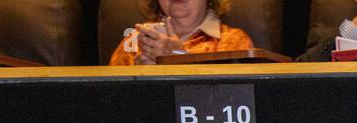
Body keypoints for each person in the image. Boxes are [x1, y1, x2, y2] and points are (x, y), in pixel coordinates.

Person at [108, 0, 254, 65]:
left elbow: (231, 101)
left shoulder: (234, 41)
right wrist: (140, 79)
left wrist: (179, 58)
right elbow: (110, 102)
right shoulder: (135, 40)